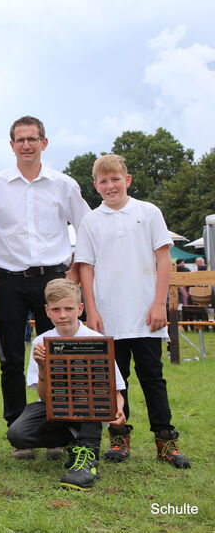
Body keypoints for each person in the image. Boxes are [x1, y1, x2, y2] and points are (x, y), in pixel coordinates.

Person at [0, 116, 91, 459]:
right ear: (11, 145)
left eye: (32, 139)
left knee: (59, 357)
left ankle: (57, 433)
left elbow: (87, 228)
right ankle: (19, 433)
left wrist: (74, 270)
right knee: (11, 359)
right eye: (20, 139)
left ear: (44, 142)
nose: (26, 145)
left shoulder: (64, 185)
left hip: (53, 280)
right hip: (8, 280)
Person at [76, 154, 191, 469]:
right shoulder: (90, 221)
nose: (110, 186)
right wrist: (91, 312)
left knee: (153, 377)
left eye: (115, 179)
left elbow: (163, 259)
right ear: (96, 186)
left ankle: (166, 440)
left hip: (145, 314)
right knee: (115, 381)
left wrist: (158, 303)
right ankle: (118, 437)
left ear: (127, 180)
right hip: (108, 316)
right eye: (103, 181)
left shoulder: (148, 212)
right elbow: (86, 268)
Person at [7, 279, 126, 491]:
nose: (62, 315)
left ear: (80, 309)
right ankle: (73, 441)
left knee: (88, 395)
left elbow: (114, 389)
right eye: (56, 309)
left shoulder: (96, 340)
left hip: (90, 408)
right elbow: (45, 399)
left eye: (69, 309)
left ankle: (88, 459)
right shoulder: (40, 342)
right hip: (56, 406)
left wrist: (119, 410)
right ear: (47, 311)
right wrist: (42, 367)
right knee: (17, 434)